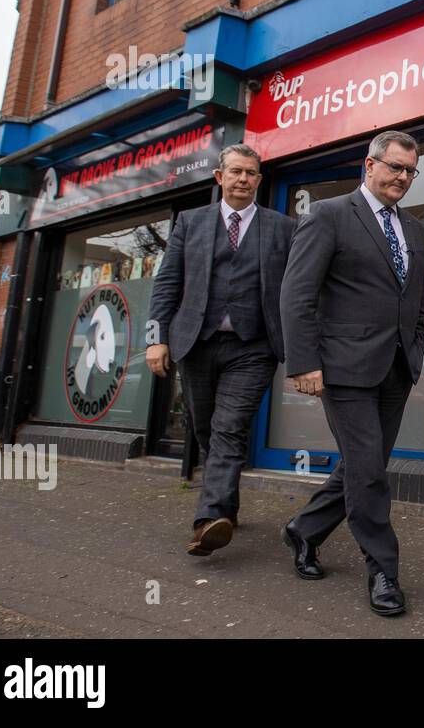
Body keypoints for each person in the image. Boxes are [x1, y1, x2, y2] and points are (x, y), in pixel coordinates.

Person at [280, 129, 424, 618]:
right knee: (368, 472)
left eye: (410, 171)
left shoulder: (415, 230)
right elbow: (297, 293)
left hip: (396, 369)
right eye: (395, 167)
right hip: (344, 369)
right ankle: (383, 569)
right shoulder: (328, 215)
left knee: (361, 468)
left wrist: (418, 348)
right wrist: (304, 362)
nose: (403, 178)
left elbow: (418, 301)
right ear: (369, 165)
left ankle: (303, 531)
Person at [147, 144, 297, 556]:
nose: (243, 179)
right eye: (235, 172)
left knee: (229, 427)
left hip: (254, 347)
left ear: (259, 181)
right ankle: (225, 505)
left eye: (251, 173)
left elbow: (295, 290)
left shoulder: (282, 227)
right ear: (219, 177)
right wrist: (155, 338)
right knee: (206, 428)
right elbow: (167, 284)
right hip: (196, 343)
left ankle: (207, 521)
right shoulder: (190, 223)